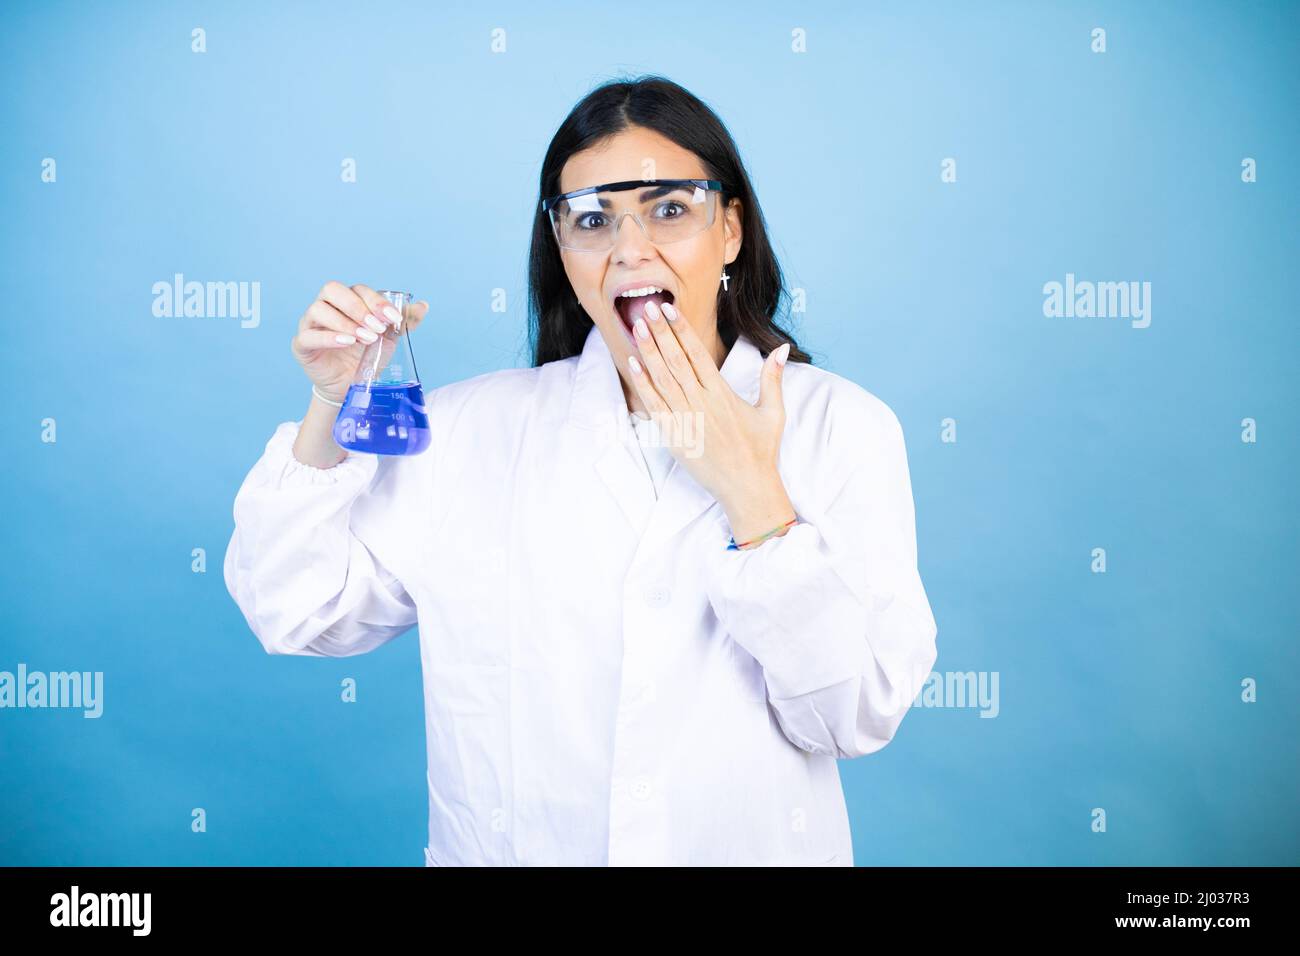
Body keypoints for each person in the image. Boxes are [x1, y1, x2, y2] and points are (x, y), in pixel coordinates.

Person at [223, 74, 939, 867]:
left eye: (670, 208)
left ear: (730, 230)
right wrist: (332, 401)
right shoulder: (471, 431)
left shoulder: (842, 428)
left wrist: (752, 494)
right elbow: (297, 610)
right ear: (562, 251)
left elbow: (852, 718)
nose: (631, 250)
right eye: (593, 220)